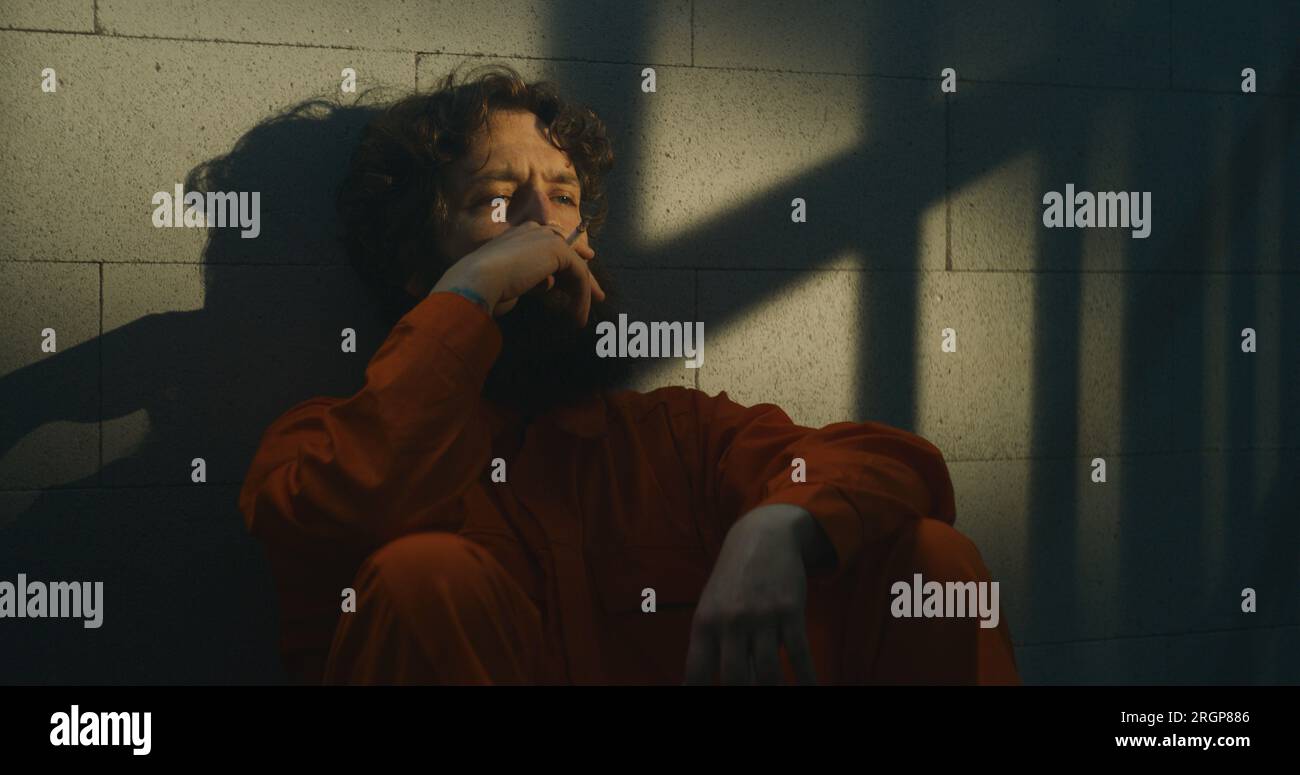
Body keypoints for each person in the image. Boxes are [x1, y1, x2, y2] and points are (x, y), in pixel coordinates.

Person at [237, 64, 1020, 685]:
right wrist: (471, 297)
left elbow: (899, 466)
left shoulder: (674, 438)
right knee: (422, 575)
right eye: (497, 200)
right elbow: (345, 508)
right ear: (415, 263)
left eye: (564, 195)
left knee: (929, 559)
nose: (544, 224)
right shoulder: (324, 444)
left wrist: (778, 528)